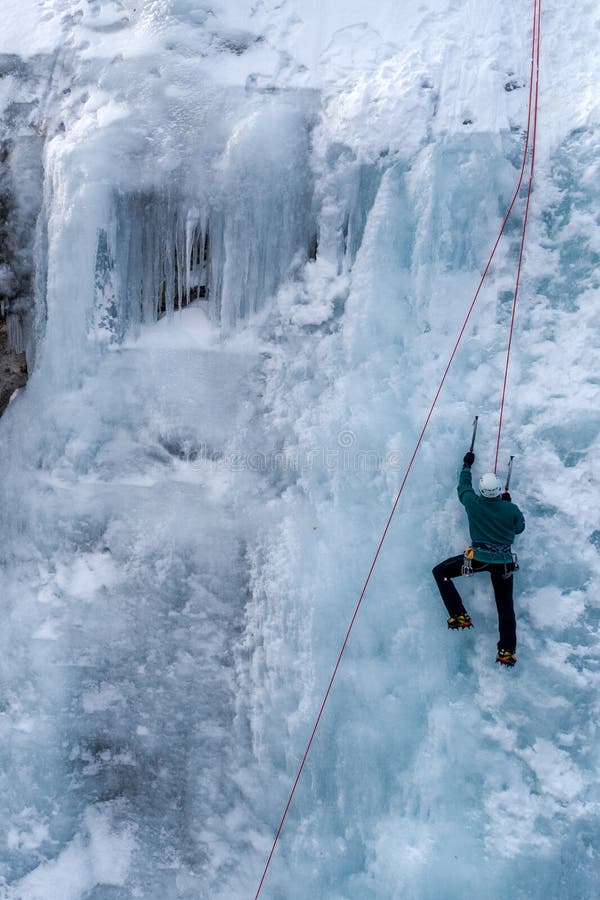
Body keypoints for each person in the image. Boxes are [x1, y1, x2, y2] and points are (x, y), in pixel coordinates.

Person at [432, 450, 525, 667]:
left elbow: (463, 488)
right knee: (505, 606)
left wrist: (466, 465)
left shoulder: (473, 503)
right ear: (500, 491)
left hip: (477, 559)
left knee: (441, 572)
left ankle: (459, 615)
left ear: (482, 492)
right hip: (503, 563)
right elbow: (519, 528)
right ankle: (507, 651)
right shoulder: (510, 509)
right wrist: (507, 505)